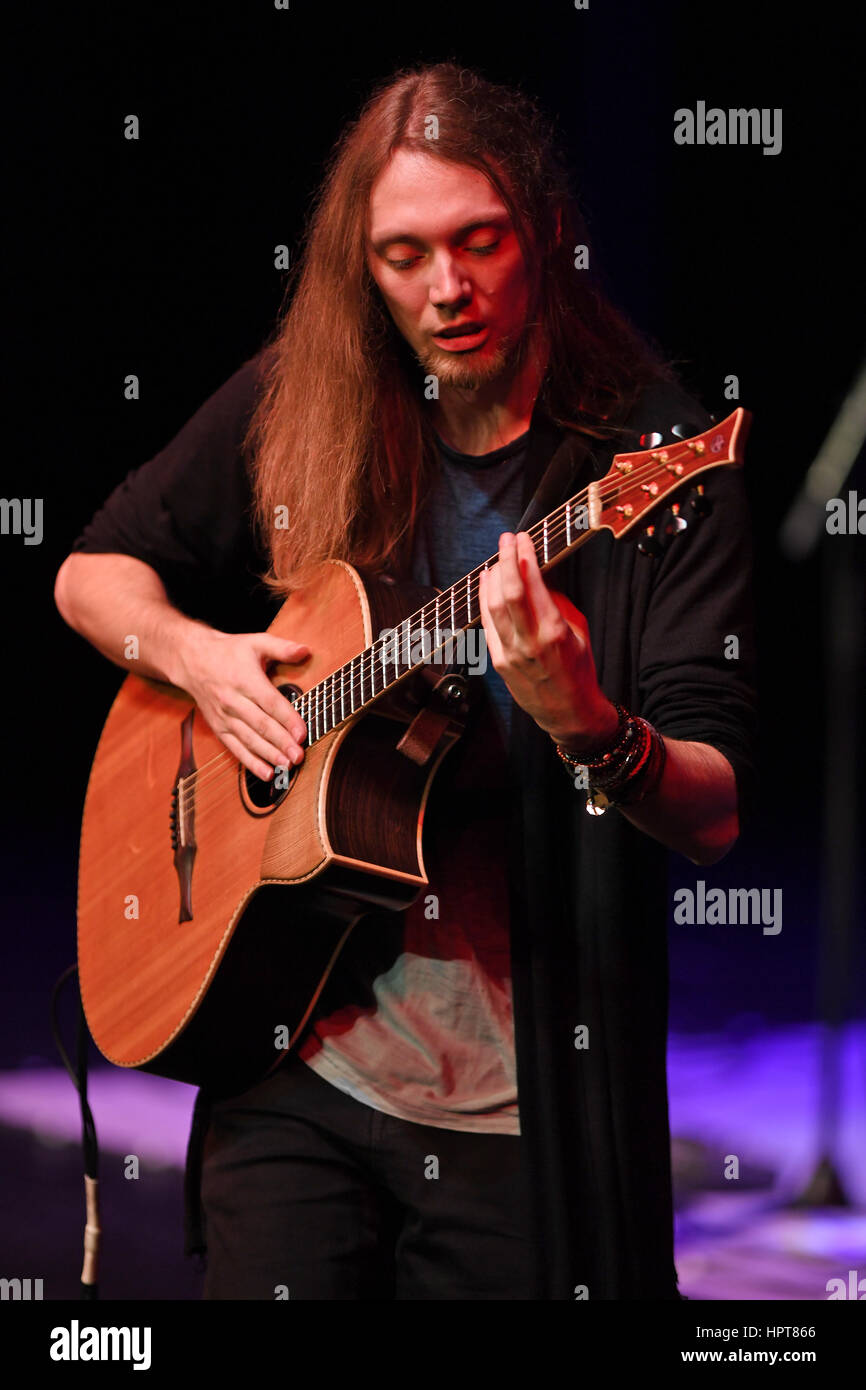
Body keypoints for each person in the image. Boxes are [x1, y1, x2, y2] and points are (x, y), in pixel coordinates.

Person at [54, 62, 757, 1300]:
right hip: (294, 1056)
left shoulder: (653, 463)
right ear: (359, 267)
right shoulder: (312, 395)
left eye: (479, 242)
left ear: (542, 227)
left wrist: (584, 722)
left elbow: (711, 809)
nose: (446, 290)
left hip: (512, 1108)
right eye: (403, 256)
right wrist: (199, 658)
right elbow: (92, 575)